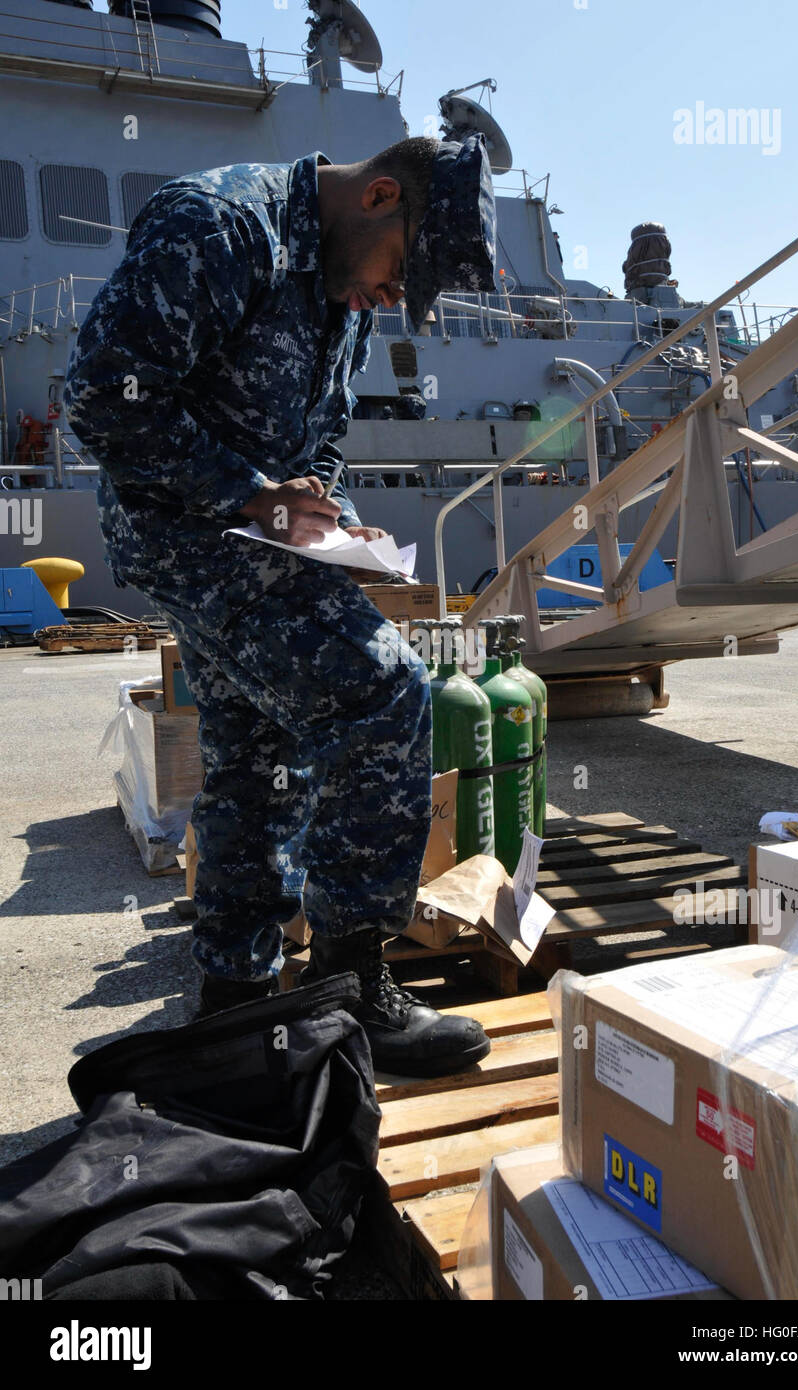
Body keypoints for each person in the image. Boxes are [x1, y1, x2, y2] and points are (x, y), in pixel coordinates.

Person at [64, 135, 498, 1078]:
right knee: (384, 694)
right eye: (397, 279)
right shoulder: (220, 227)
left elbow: (326, 425)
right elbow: (103, 396)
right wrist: (253, 494)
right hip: (182, 530)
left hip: (251, 534)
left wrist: (315, 496)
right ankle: (350, 990)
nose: (389, 303)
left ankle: (234, 997)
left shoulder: (340, 270)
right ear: (378, 195)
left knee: (253, 752)